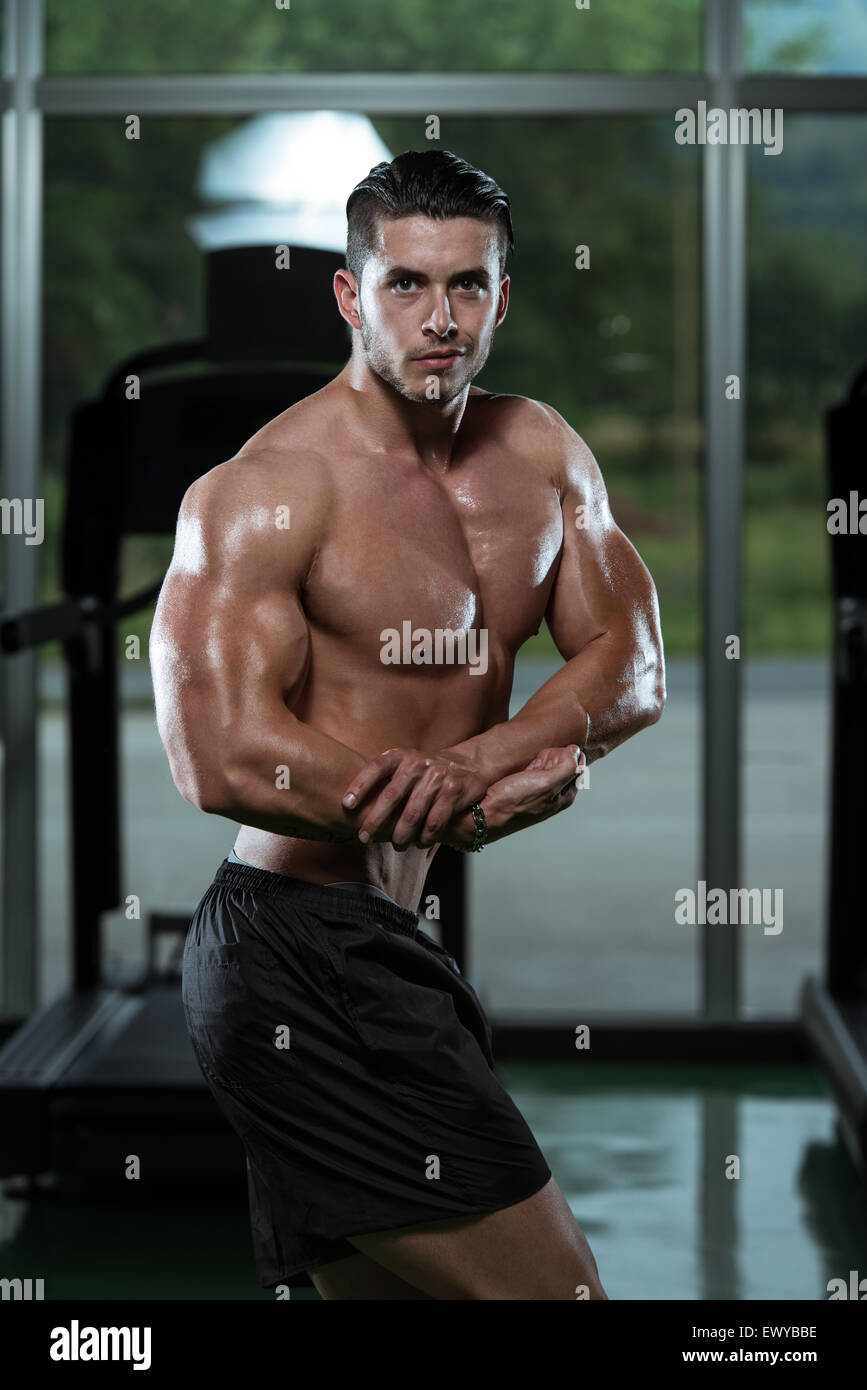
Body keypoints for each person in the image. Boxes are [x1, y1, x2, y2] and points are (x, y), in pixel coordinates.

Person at [150, 149, 665, 1300]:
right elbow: (217, 752)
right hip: (294, 950)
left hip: (389, 935)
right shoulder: (267, 489)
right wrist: (479, 801)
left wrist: (495, 758)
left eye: (468, 285)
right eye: (406, 285)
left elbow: (628, 661)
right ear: (349, 294)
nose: (442, 319)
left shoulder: (541, 455)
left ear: (503, 294)